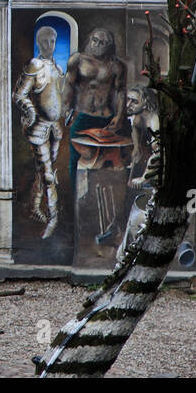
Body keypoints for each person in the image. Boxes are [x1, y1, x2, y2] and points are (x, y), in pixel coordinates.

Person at [65, 27, 130, 246]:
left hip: (106, 119)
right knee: (77, 161)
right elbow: (68, 84)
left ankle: (109, 220)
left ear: (110, 44)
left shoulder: (116, 65)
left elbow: (121, 92)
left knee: (109, 164)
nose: (99, 45)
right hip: (82, 117)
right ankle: (76, 213)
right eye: (96, 40)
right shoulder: (77, 60)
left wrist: (120, 117)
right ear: (89, 40)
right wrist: (67, 109)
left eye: (104, 42)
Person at [14, 25, 66, 238]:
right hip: (38, 127)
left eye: (52, 41)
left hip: (55, 127)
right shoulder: (34, 65)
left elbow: (59, 95)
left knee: (45, 170)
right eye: (45, 41)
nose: (49, 45)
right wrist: (31, 112)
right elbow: (19, 95)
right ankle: (53, 217)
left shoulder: (57, 68)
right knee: (46, 174)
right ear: (38, 43)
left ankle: (35, 208)